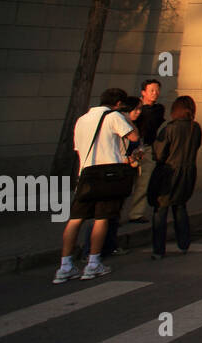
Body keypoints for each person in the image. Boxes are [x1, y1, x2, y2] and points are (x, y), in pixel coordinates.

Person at [54, 88, 141, 284]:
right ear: (119, 104)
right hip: (108, 174)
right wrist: (127, 119)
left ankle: (65, 266)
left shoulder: (82, 119)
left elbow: (78, 149)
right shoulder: (114, 116)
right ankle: (93, 262)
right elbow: (134, 137)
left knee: (75, 219)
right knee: (102, 218)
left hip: (86, 173)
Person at [149, 96, 202, 259]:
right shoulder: (195, 128)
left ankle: (159, 249)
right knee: (180, 206)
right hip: (187, 171)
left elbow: (159, 153)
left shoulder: (170, 128)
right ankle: (184, 243)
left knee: (160, 210)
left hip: (169, 171)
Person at [124, 78, 166, 223]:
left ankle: (136, 213)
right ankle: (115, 215)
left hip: (147, 147)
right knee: (125, 181)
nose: (155, 93)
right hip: (130, 147)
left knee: (144, 181)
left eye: (157, 90)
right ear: (143, 92)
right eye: (151, 90)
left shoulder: (158, 109)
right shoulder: (134, 107)